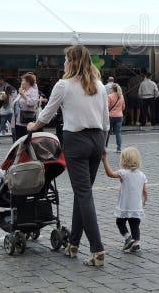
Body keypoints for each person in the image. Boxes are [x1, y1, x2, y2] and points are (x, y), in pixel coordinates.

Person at [28, 45, 110, 267]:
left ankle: (97, 249)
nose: (63, 63)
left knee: (83, 194)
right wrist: (103, 146)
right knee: (83, 193)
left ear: (71, 62)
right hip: (96, 139)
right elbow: (105, 121)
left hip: (76, 141)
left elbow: (46, 114)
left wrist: (32, 125)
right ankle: (73, 244)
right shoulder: (100, 86)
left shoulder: (63, 85)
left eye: (65, 60)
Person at [102, 147, 148, 255]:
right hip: (136, 207)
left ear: (124, 160)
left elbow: (110, 174)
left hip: (125, 206)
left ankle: (128, 238)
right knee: (135, 225)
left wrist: (104, 160)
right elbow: (144, 191)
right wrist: (144, 200)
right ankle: (136, 244)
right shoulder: (142, 175)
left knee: (120, 222)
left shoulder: (123, 173)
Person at [15, 73, 39, 142]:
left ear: (28, 82)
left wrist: (23, 95)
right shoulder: (23, 90)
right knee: (19, 141)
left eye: (23, 81)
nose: (21, 82)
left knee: (26, 142)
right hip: (19, 120)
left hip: (27, 121)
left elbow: (32, 103)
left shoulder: (33, 91)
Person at [108, 83, 125, 153]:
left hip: (111, 116)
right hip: (119, 116)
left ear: (112, 89)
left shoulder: (109, 96)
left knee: (107, 132)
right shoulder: (121, 96)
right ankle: (119, 148)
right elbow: (123, 107)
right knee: (118, 133)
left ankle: (105, 147)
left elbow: (107, 107)